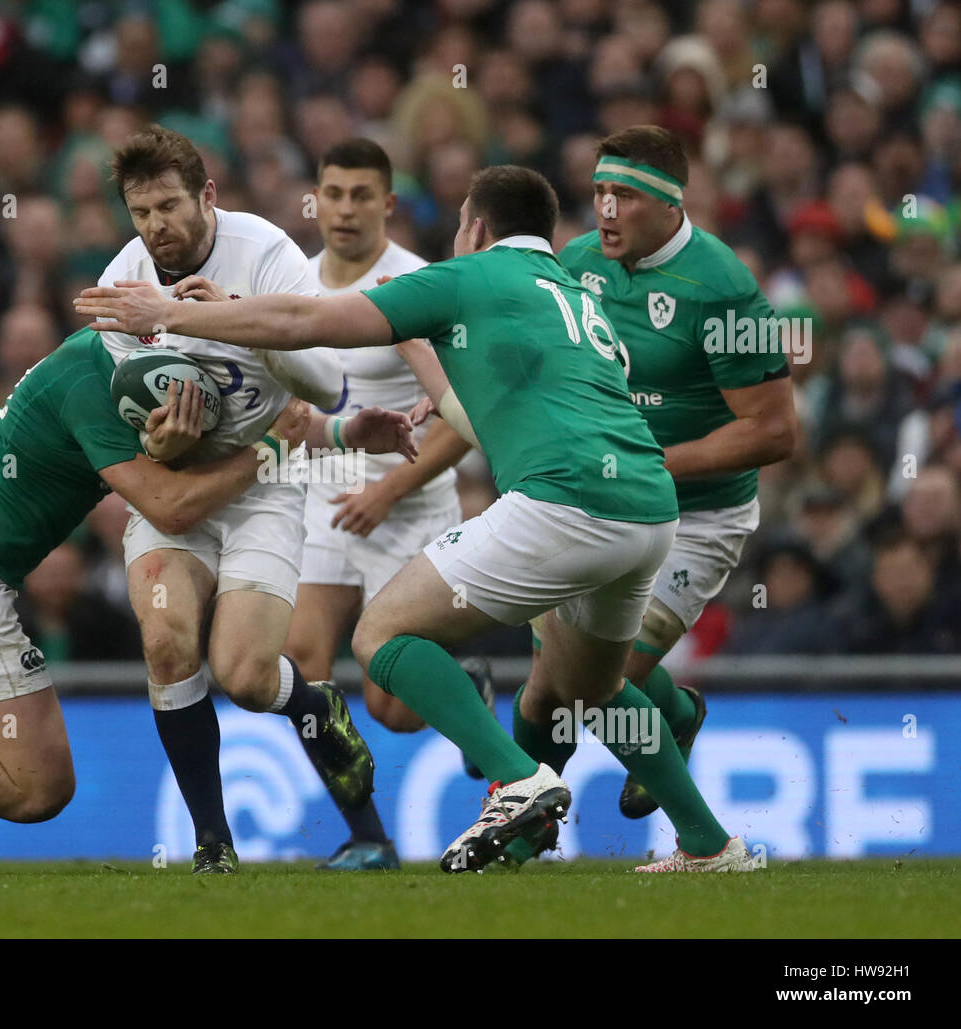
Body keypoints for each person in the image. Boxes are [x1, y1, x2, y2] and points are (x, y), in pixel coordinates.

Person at [77, 164, 757, 873]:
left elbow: (306, 321)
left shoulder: (464, 278)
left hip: (565, 502)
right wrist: (421, 357)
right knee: (594, 686)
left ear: (476, 228)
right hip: (650, 510)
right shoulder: (575, 296)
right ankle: (711, 844)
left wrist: (172, 314)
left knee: (383, 633)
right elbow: (477, 417)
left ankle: (518, 779)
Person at [0, 325, 413, 875]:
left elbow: (201, 451)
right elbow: (170, 506)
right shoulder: (96, 388)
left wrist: (345, 435)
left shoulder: (99, 359)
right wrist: (271, 445)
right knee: (40, 787)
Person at [93, 126, 411, 873]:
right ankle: (213, 843)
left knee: (244, 674)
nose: (156, 226)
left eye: (169, 205)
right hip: (183, 485)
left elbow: (326, 380)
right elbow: (147, 444)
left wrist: (231, 313)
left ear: (207, 195)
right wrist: (167, 440)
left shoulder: (266, 252)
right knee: (167, 638)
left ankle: (312, 704)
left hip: (267, 478)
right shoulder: (122, 285)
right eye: (141, 212)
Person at [534, 125, 798, 829]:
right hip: (601, 504)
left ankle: (685, 830)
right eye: (597, 193)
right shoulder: (579, 260)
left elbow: (775, 430)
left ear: (670, 203)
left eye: (624, 195)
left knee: (595, 682)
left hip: (698, 517)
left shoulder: (725, 287)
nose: (606, 211)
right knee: (562, 680)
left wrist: (647, 463)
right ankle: (672, 717)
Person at [286, 139, 480, 871]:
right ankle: (368, 833)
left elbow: (467, 417)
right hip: (322, 499)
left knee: (392, 707)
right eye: (333, 192)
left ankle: (468, 689)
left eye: (361, 194)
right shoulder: (296, 284)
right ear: (316, 197)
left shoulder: (417, 285)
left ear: (388, 204)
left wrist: (387, 487)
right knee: (299, 666)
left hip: (409, 503)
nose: (344, 208)